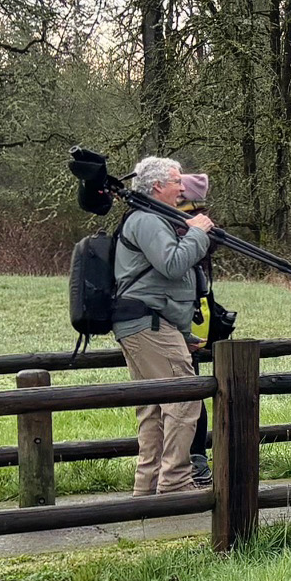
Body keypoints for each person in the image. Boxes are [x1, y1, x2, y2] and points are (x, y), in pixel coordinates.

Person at [112, 157, 214, 496]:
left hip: (145, 324)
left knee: (154, 408)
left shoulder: (147, 219)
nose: (182, 187)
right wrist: (198, 233)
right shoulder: (149, 221)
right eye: (176, 181)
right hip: (149, 325)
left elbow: (158, 287)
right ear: (157, 187)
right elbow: (172, 266)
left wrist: (183, 335)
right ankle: (175, 482)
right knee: (185, 400)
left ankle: (149, 487)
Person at [177, 173, 218, 488]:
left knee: (188, 390)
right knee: (189, 388)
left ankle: (195, 459)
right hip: (195, 316)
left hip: (189, 318)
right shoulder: (199, 226)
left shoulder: (190, 228)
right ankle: (194, 459)